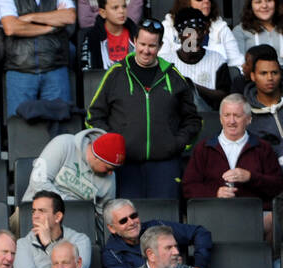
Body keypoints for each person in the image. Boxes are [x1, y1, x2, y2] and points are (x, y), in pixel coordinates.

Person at [86, 21, 202, 198]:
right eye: (142, 44)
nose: (146, 51)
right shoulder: (116, 74)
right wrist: (113, 145)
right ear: (134, 41)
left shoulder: (174, 76)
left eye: (152, 46)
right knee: (128, 221)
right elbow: (93, 117)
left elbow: (193, 120)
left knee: (165, 220)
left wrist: (176, 143)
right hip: (124, 166)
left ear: (160, 46)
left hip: (165, 164)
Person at [181, 94, 283, 225]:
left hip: (252, 214)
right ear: (220, 119)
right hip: (213, 212)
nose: (231, 121)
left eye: (237, 116)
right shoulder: (204, 148)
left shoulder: (262, 148)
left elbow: (278, 186)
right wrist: (215, 193)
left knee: (272, 220)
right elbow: (188, 187)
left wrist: (250, 177)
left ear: (248, 119)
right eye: (227, 115)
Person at [99, 198, 211, 268]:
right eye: (123, 221)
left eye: (133, 216)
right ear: (112, 228)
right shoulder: (111, 254)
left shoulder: (156, 227)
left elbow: (200, 233)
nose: (131, 222)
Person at [0, 0, 75, 119]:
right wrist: (51, 27)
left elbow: (69, 17)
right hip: (19, 69)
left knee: (60, 128)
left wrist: (30, 17)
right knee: (19, 127)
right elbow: (11, 27)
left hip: (55, 67)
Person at [24, 130, 124, 214]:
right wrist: (71, 205)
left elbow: (103, 214)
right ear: (96, 157)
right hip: (35, 212)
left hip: (76, 225)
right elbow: (38, 181)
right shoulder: (64, 144)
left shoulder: (110, 178)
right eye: (108, 168)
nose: (111, 173)